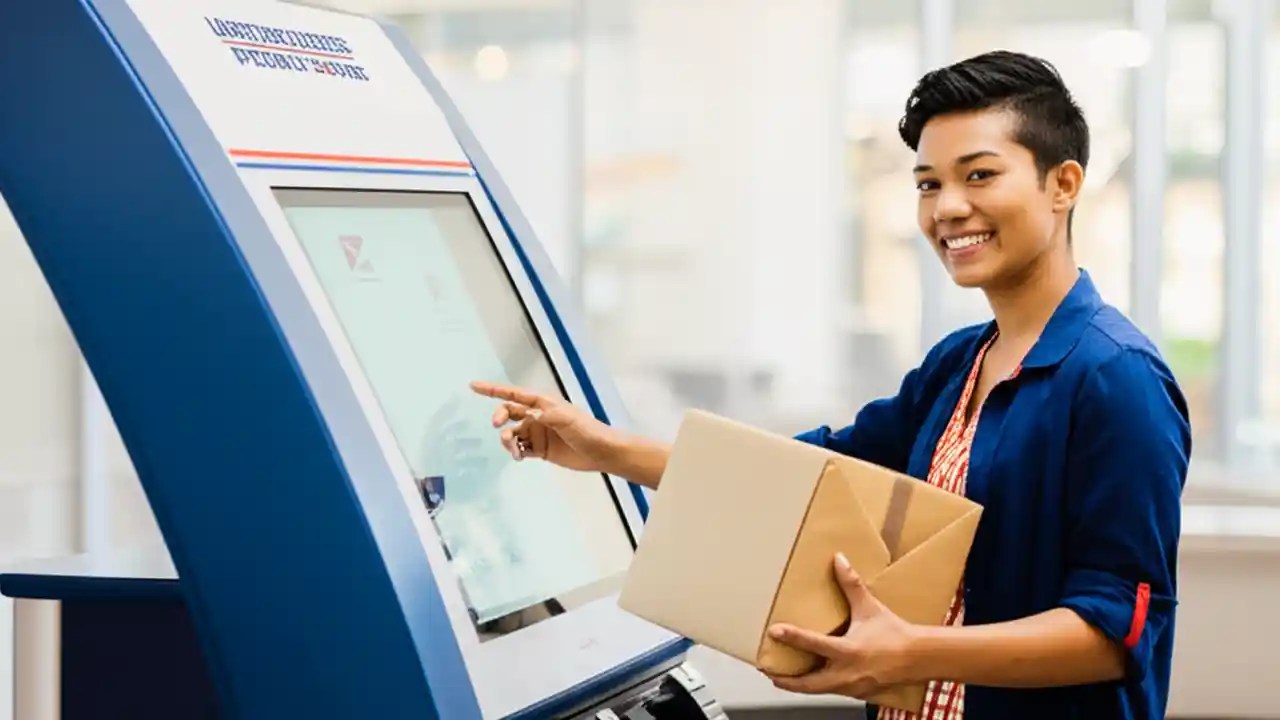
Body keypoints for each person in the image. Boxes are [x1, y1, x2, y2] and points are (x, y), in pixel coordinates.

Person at [471, 50, 1189, 720]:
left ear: (1062, 184)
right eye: (928, 184)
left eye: (979, 175)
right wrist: (606, 451)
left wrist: (909, 652)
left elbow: (1111, 630)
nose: (947, 209)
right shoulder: (958, 363)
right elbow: (803, 478)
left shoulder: (1116, 379)